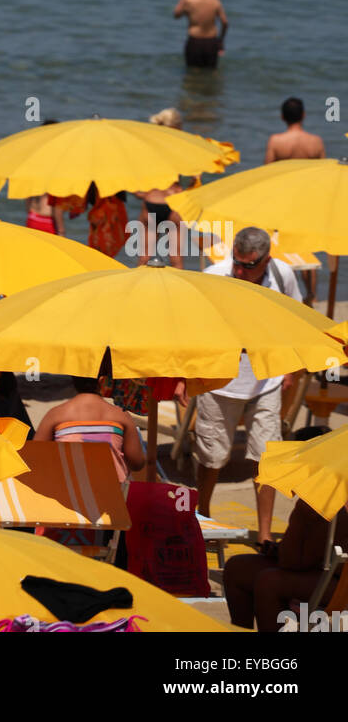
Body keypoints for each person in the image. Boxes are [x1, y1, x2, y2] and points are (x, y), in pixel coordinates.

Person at [195, 227, 301, 547]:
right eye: (237, 263)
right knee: (211, 457)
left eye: (249, 266)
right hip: (218, 382)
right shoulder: (214, 276)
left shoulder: (282, 276)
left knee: (265, 460)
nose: (240, 271)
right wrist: (187, 378)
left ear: (266, 260)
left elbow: (295, 319)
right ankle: (202, 517)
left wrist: (290, 369)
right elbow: (194, 328)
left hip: (266, 380)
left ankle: (266, 535)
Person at [224, 496, 348, 632]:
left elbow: (293, 561)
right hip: (326, 571)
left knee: (270, 582)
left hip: (341, 583)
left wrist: (300, 516)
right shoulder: (328, 498)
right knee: (237, 569)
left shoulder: (329, 502)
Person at [264, 98, 326, 304]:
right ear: (304, 115)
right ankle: (312, 296)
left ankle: (285, 293)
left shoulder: (276, 141)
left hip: (283, 202)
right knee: (308, 249)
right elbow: (324, 174)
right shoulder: (315, 142)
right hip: (307, 200)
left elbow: (266, 176)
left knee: (282, 249)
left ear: (282, 117)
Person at [34, 378, 146, 483]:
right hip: (112, 492)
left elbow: (36, 457)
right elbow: (137, 463)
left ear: (73, 380)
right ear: (102, 380)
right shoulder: (120, 415)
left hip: (67, 492)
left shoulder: (56, 414)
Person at [135, 109, 185, 266]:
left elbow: (132, 183)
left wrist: (144, 195)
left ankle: (135, 290)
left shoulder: (149, 149)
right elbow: (195, 183)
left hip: (152, 200)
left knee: (144, 259)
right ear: (178, 127)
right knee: (176, 261)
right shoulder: (183, 149)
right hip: (173, 203)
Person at [173, 0, 228, 68]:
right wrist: (221, 40)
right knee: (211, 74)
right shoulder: (214, 0)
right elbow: (225, 22)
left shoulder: (189, 1)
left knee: (192, 74)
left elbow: (176, 15)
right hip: (211, 42)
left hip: (195, 42)